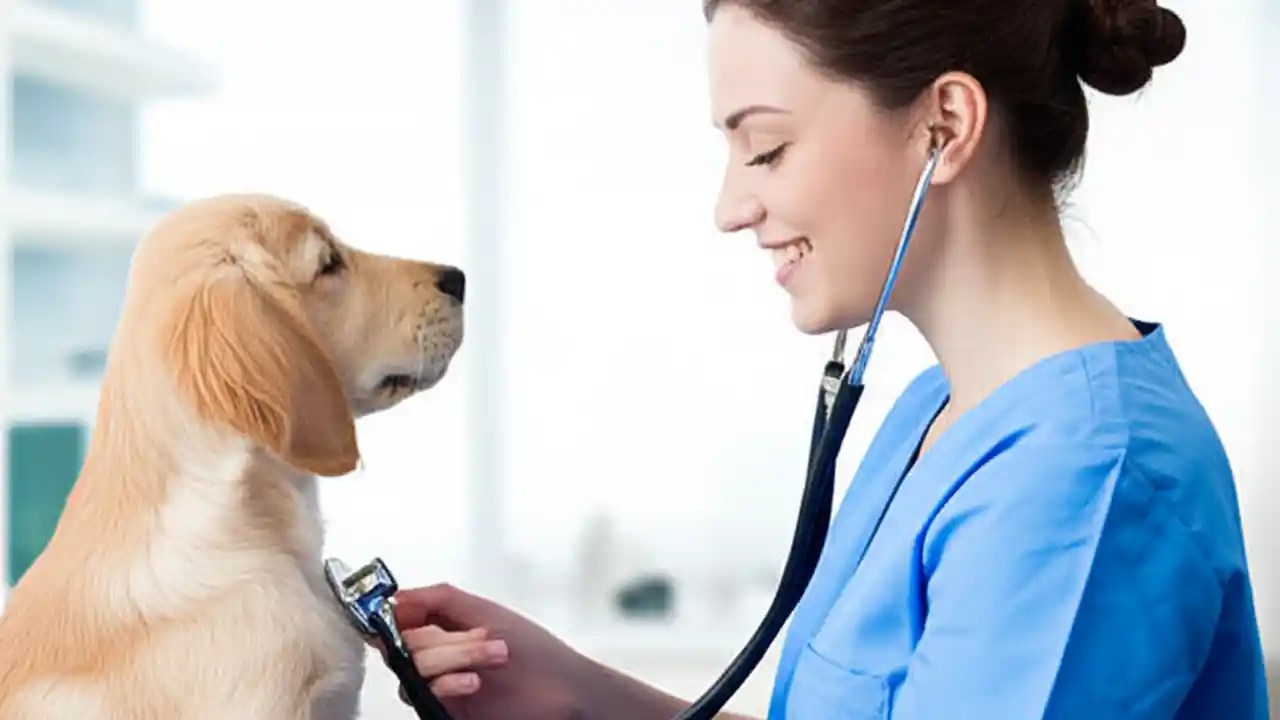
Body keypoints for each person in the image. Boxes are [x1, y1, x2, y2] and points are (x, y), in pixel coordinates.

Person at [385, 0, 1271, 717]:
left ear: (945, 125)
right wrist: (577, 695)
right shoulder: (936, 412)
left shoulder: (1086, 477)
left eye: (766, 147)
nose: (731, 206)